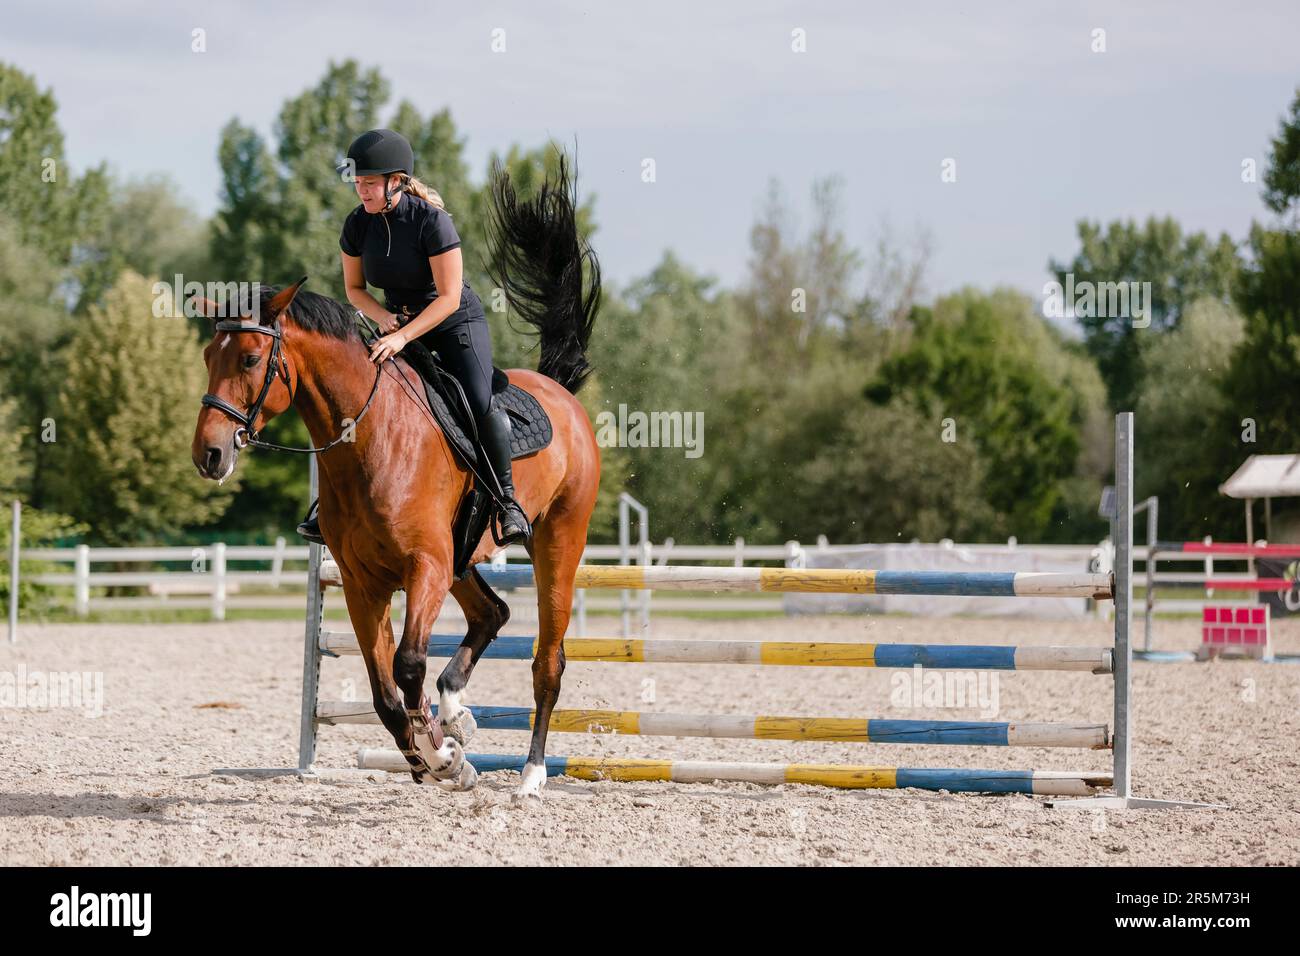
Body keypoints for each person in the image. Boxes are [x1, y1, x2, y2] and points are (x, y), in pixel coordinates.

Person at [296, 128, 529, 545]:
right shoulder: (356, 225)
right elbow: (354, 290)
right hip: (398, 323)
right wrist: (385, 319)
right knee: (360, 391)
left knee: (477, 400)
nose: (361, 191)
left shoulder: (432, 222)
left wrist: (402, 339)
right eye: (358, 183)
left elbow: (449, 296)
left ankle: (507, 502)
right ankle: (338, 504)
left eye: (369, 183)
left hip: (454, 322)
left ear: (397, 181)